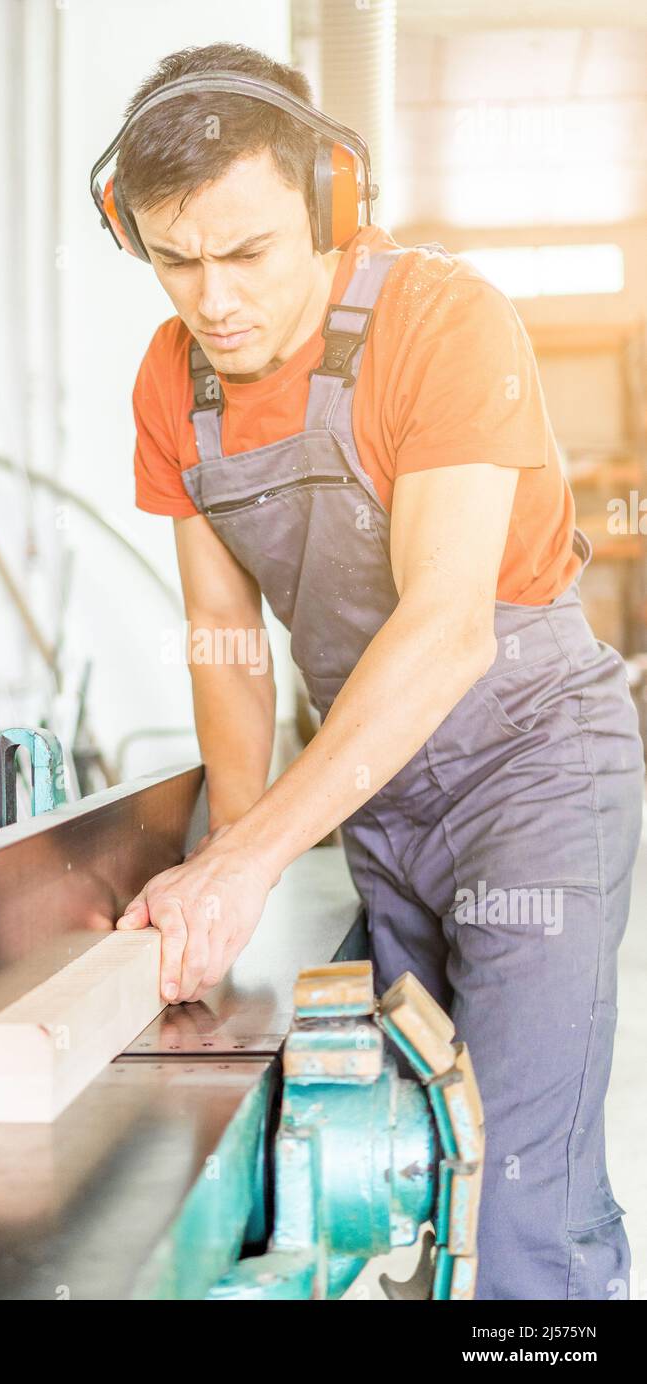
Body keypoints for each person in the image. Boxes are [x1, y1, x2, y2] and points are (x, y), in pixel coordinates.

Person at [92, 41, 644, 1300]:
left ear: (332, 205)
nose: (211, 300)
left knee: (514, 1201)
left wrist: (245, 860)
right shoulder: (170, 386)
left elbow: (447, 626)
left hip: (531, 769)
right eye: (175, 261)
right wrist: (227, 869)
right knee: (410, 1153)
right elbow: (225, 644)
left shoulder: (441, 320)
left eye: (246, 254)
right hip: (377, 786)